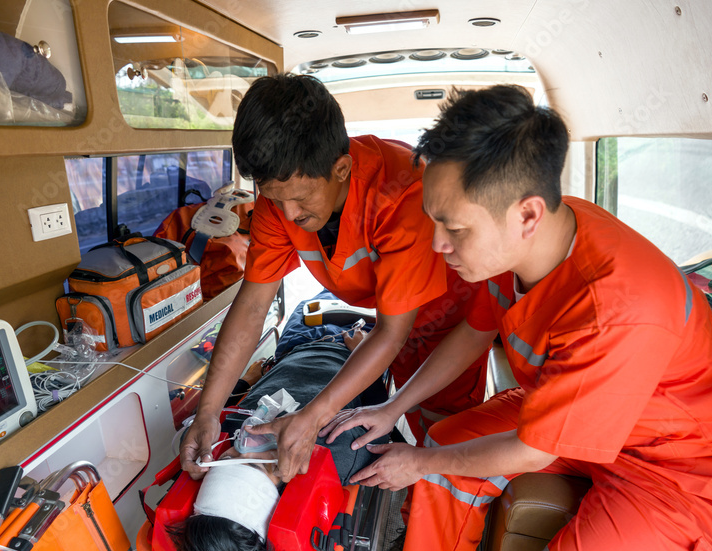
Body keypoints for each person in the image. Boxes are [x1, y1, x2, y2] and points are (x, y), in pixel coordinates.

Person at [321, 85, 712, 551]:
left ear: (527, 213)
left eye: (452, 228)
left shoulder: (617, 305)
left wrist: (418, 461)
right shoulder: (528, 249)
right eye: (434, 222)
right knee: (447, 440)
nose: (438, 245)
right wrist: (391, 410)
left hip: (690, 471)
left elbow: (533, 451)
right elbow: (475, 329)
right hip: (593, 423)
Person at [179, 74, 487, 486]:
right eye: (273, 197)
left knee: (439, 433)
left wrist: (313, 417)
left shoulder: (401, 196)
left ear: (341, 169)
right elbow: (253, 306)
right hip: (386, 319)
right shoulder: (280, 196)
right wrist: (208, 411)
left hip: (447, 319)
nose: (287, 215)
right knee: (395, 411)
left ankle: (434, 495)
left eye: (301, 199)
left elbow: (394, 332)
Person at [169, 334, 384, 551]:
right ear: (283, 480)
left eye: (228, 459)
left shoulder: (216, 433)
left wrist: (245, 382)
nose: (246, 442)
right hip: (353, 354)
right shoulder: (342, 451)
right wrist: (363, 349)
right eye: (254, 465)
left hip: (294, 343)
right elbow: (379, 410)